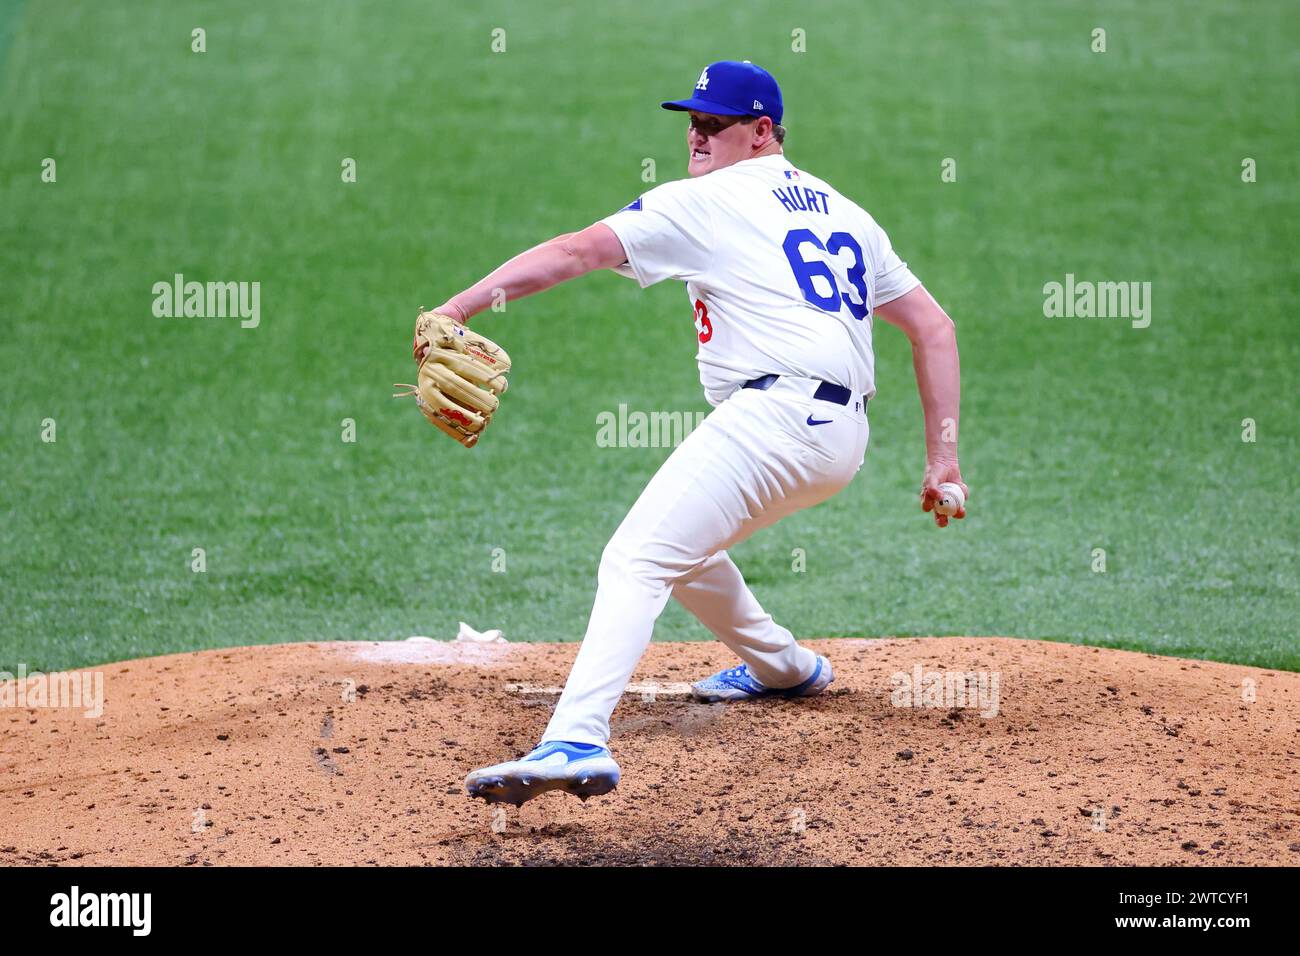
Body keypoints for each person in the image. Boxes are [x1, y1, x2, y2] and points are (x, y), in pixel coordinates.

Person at [419, 60, 968, 806]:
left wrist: (457, 309)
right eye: (693, 119)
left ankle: (575, 738)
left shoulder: (711, 200)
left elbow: (580, 251)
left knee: (636, 558)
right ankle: (783, 666)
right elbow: (933, 327)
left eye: (716, 122)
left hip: (775, 419)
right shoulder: (846, 212)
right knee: (686, 548)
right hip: (840, 439)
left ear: (762, 131)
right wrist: (944, 462)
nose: (698, 134)